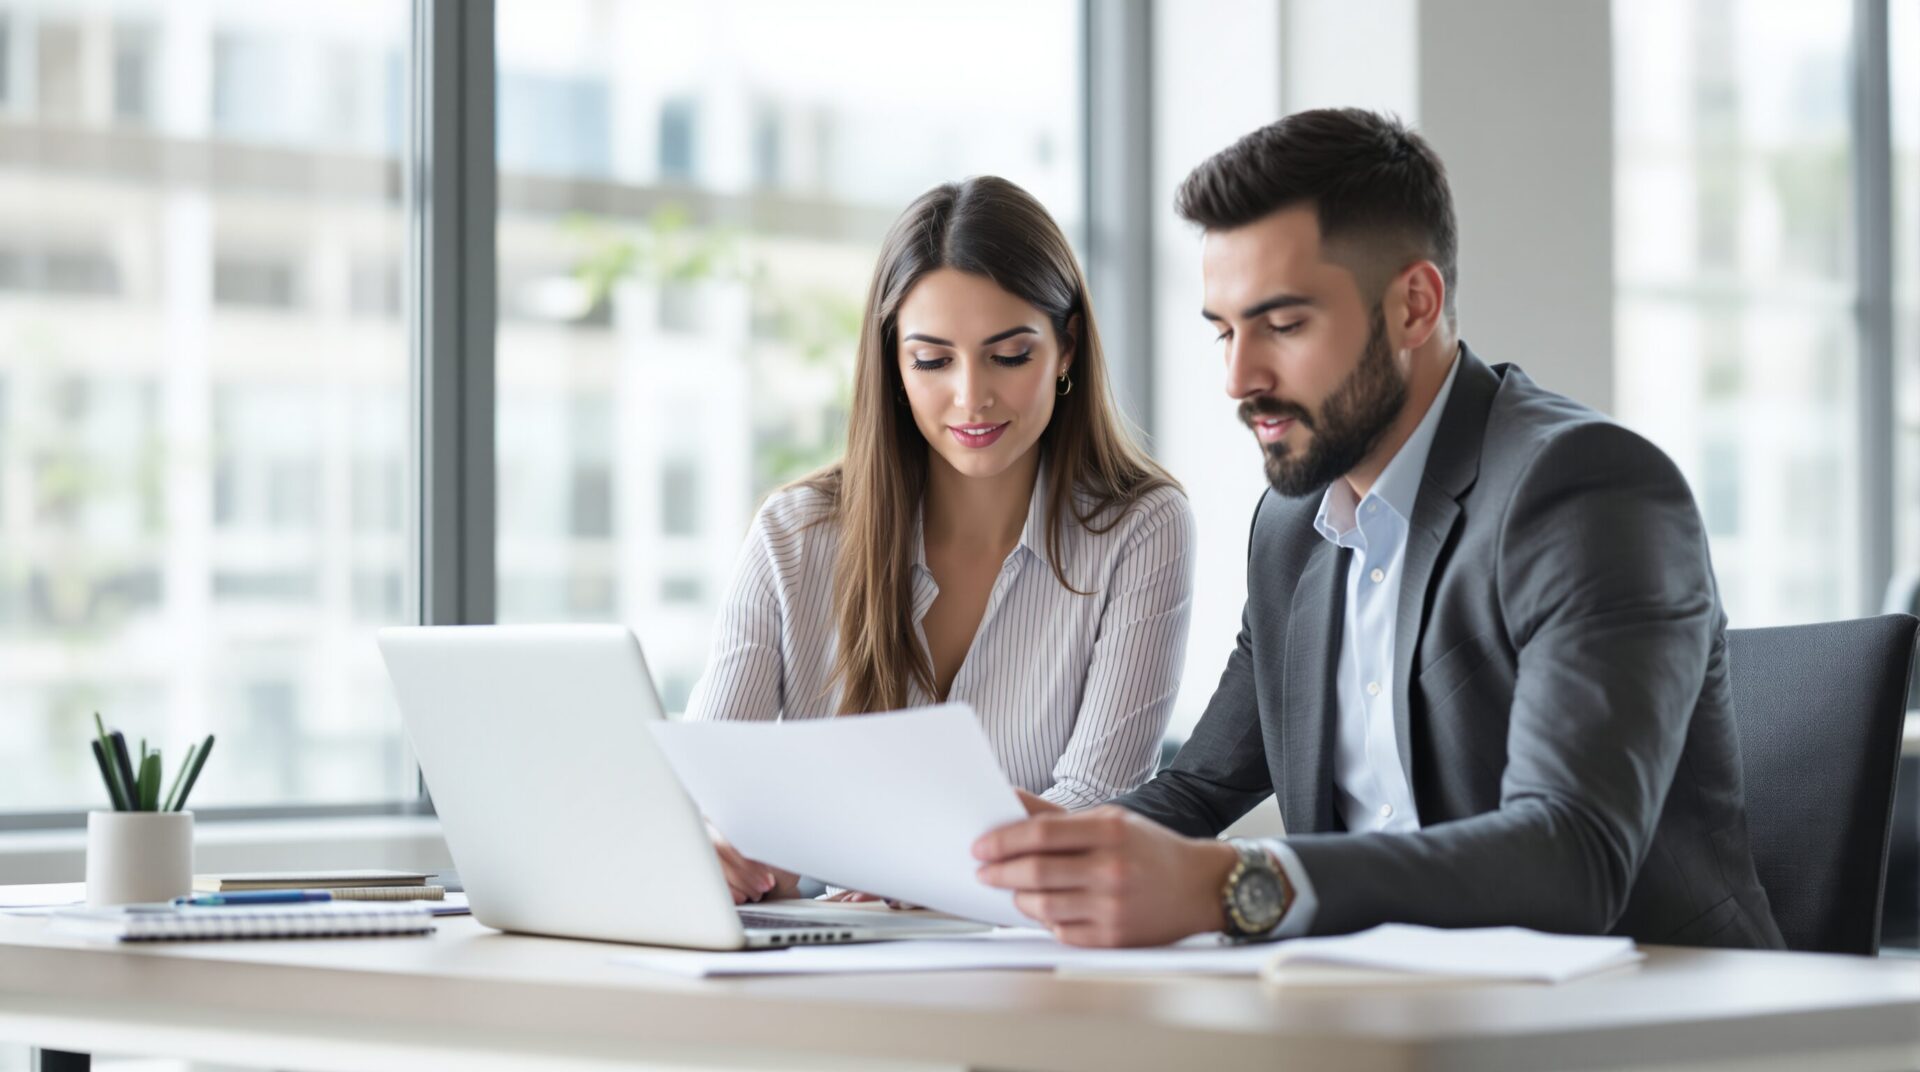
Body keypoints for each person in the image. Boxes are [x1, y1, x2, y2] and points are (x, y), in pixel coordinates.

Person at [973, 108, 1785, 951]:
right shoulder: (1295, 526)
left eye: (1283, 326)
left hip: (1644, 1017)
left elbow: (1573, 858)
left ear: (1414, 306)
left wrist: (1239, 885)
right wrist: (1019, 856)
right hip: (1391, 1006)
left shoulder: (1584, 490)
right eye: (1224, 330)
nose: (1238, 377)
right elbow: (1196, 792)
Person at [688, 175, 1196, 905]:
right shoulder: (793, 535)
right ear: (894, 362)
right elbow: (715, 780)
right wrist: (713, 844)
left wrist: (931, 868)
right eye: (932, 361)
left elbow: (1092, 803)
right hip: (825, 967)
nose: (972, 396)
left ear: (1067, 347)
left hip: (1032, 966)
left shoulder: (1141, 528)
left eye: (1010, 355)